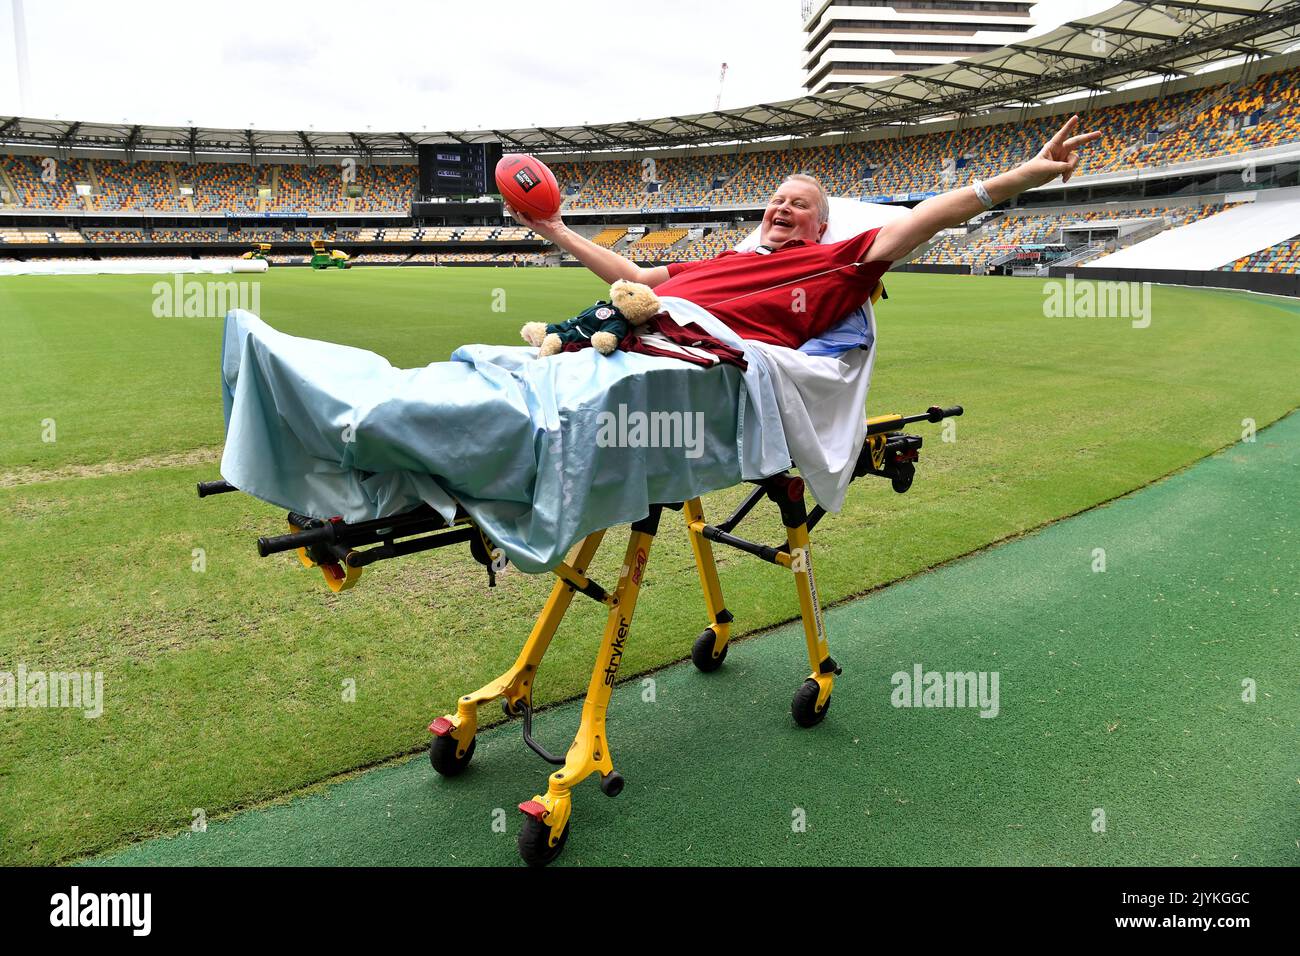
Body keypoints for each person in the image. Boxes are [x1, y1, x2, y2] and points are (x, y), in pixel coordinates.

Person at [506, 116, 1102, 350]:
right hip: (628, 335)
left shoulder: (839, 261)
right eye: (776, 200)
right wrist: (556, 228)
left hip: (679, 356)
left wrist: (1018, 177)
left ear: (821, 225)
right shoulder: (719, 261)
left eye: (799, 204)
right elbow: (635, 279)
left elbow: (924, 218)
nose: (782, 208)